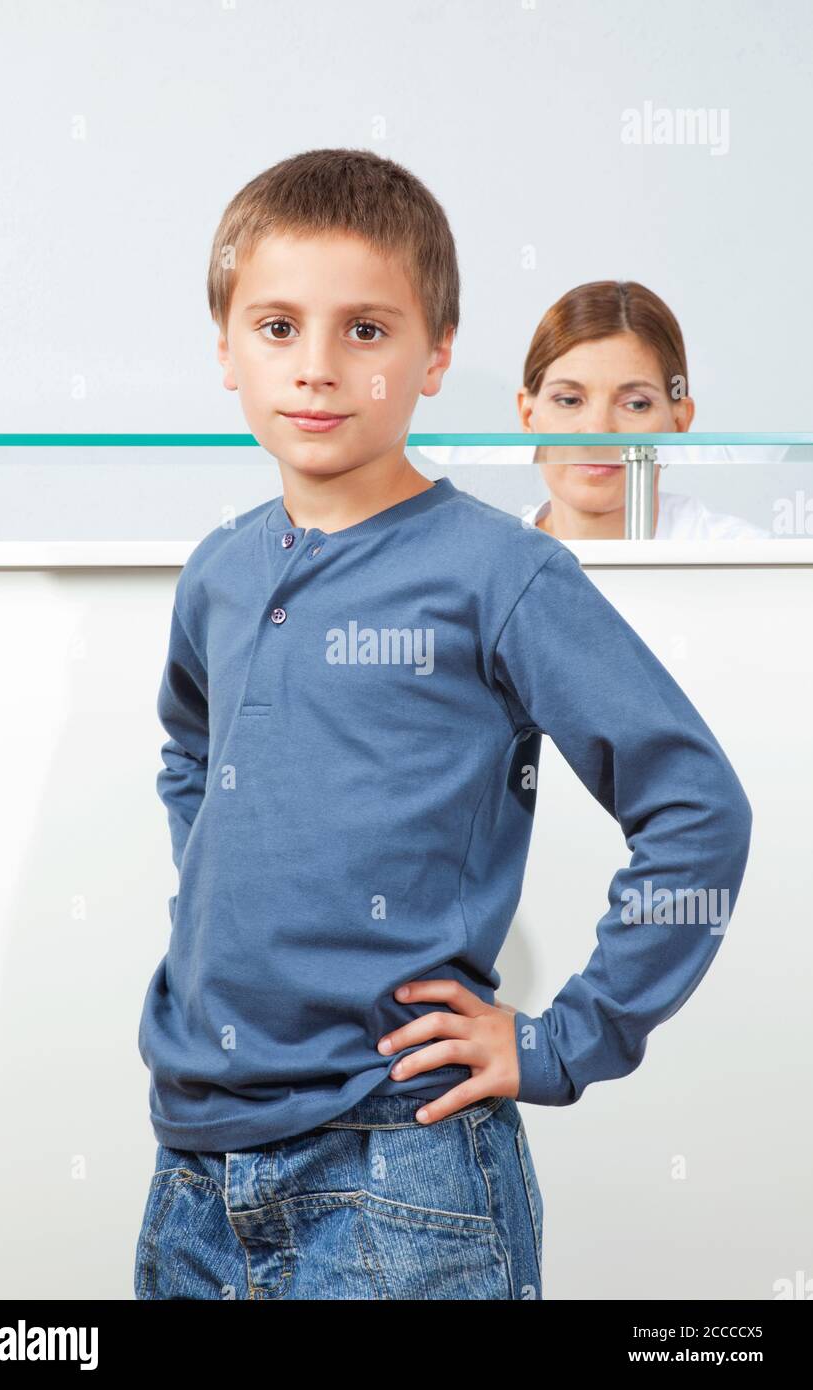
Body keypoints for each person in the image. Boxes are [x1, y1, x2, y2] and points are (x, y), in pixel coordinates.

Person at [134, 149, 753, 1301]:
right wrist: (234, 896)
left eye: (365, 330)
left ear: (437, 354)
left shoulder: (499, 573)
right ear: (224, 346)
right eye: (277, 326)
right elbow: (189, 750)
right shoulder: (217, 570)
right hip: (191, 1167)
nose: (317, 368)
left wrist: (564, 1038)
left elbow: (696, 812)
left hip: (400, 1170)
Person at [421, 280, 779, 540]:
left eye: (636, 404)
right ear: (528, 415)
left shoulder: (741, 559)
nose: (597, 429)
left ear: (680, 421)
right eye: (569, 400)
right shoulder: (493, 569)